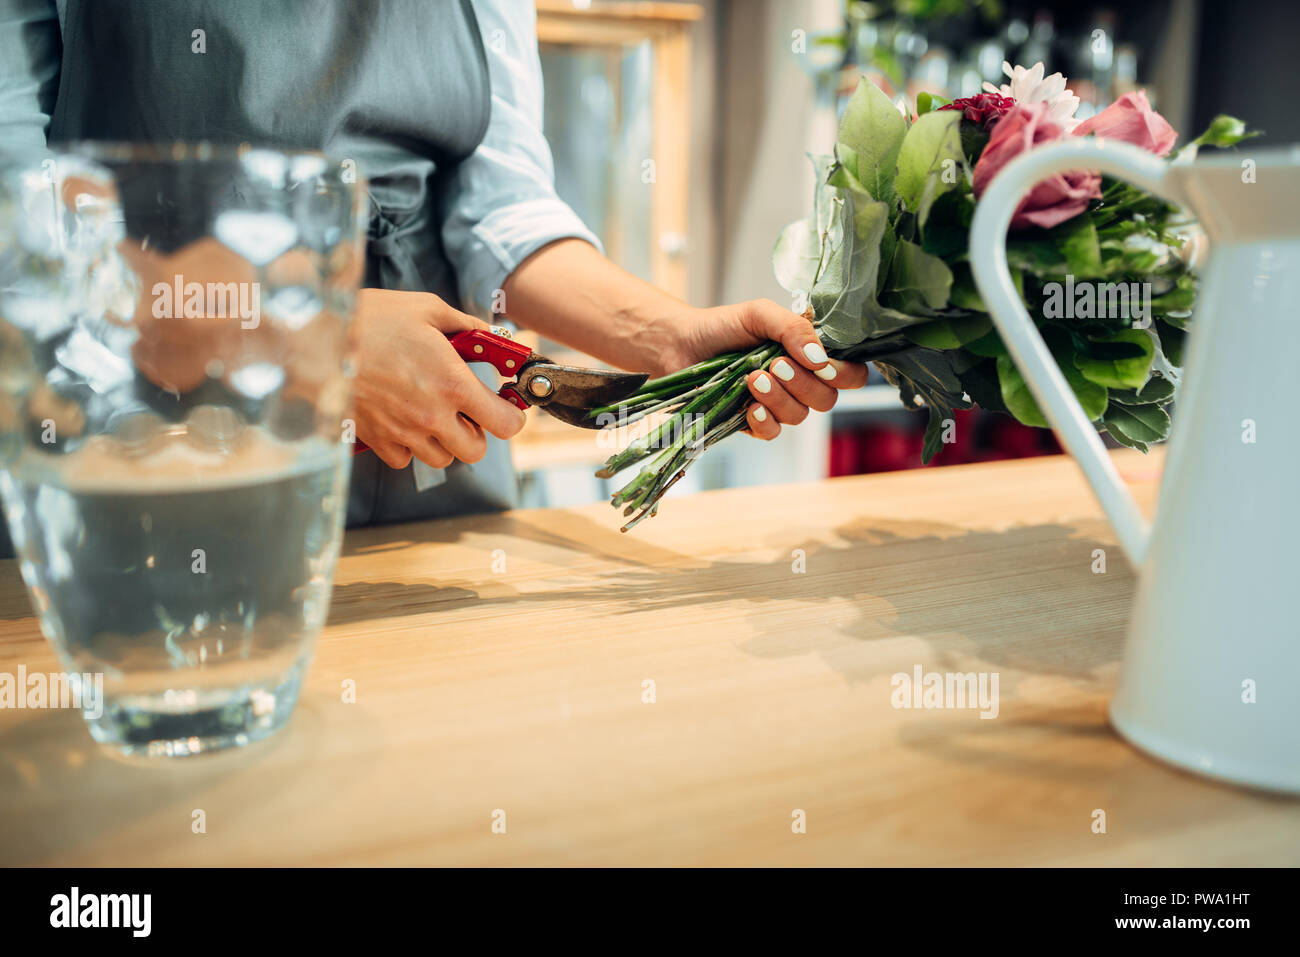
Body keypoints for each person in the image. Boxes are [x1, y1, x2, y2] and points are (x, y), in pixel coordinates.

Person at [0, 0, 868, 531]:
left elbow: (501, 206)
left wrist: (672, 338)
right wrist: (304, 336)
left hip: (436, 493)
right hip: (141, 484)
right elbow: (20, 227)